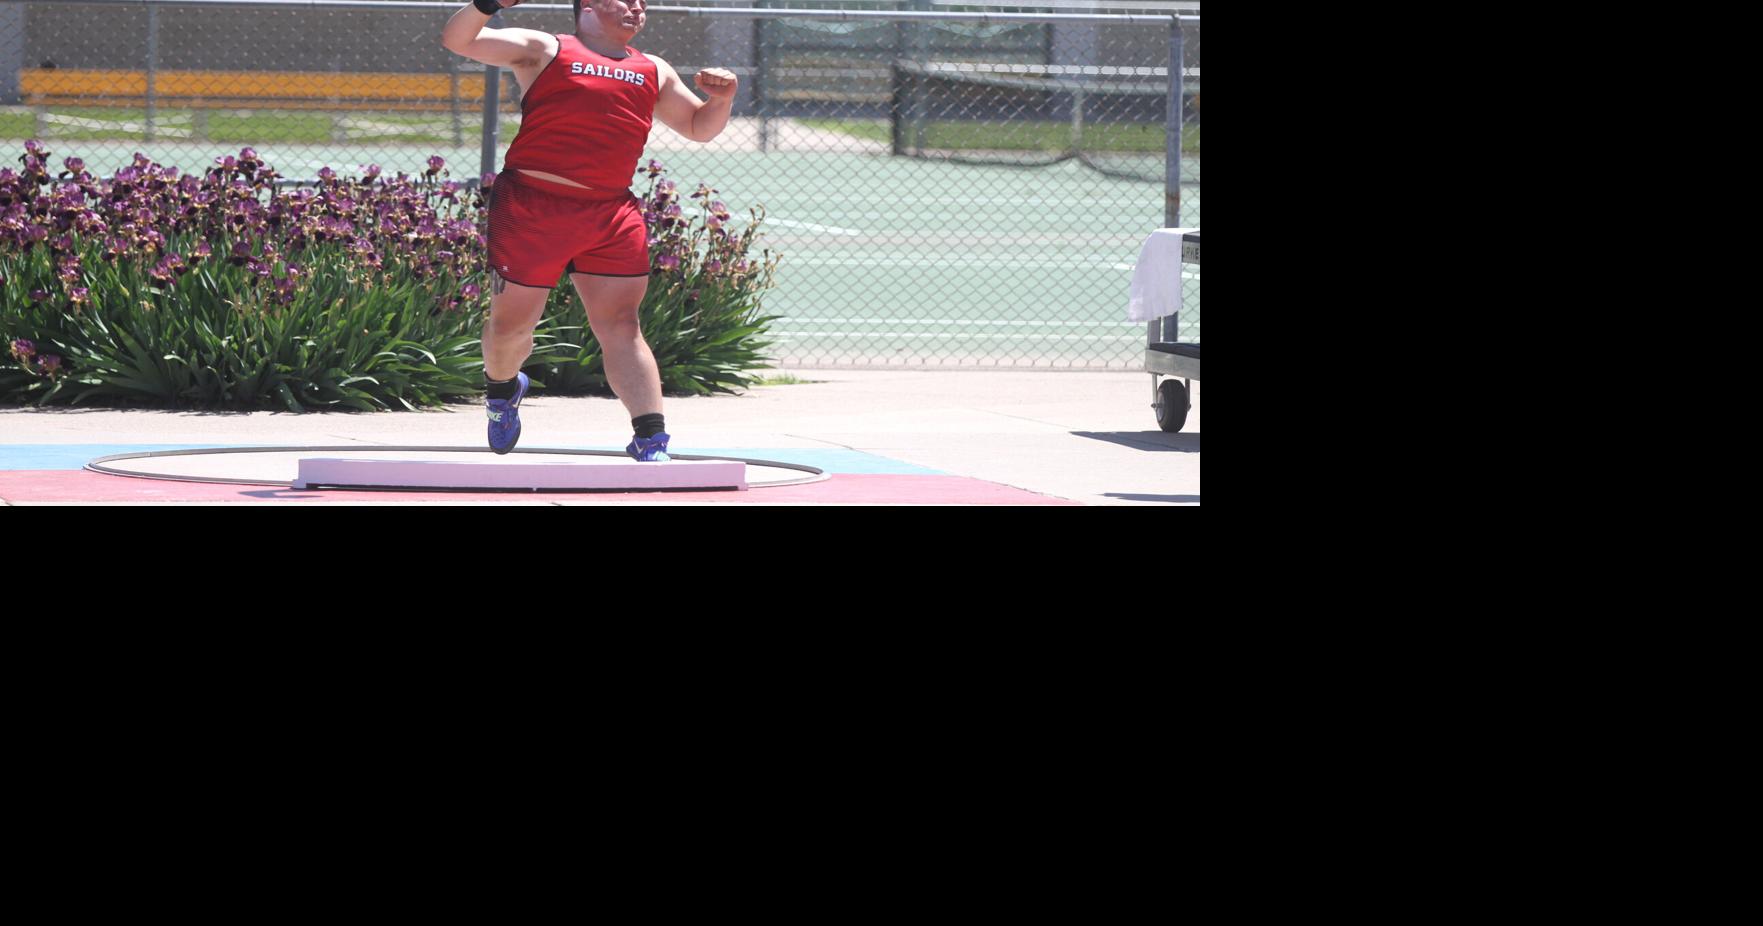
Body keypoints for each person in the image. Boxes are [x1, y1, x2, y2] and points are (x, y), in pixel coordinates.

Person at [441, 0, 738, 460]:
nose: (637, 8)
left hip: (609, 213)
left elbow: (699, 127)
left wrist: (721, 99)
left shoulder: (653, 68)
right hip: (533, 208)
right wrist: (488, 5)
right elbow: (459, 40)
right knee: (510, 329)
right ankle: (502, 392)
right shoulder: (545, 49)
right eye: (626, 0)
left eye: (643, 2)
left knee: (622, 324)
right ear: (589, 5)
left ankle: (651, 438)